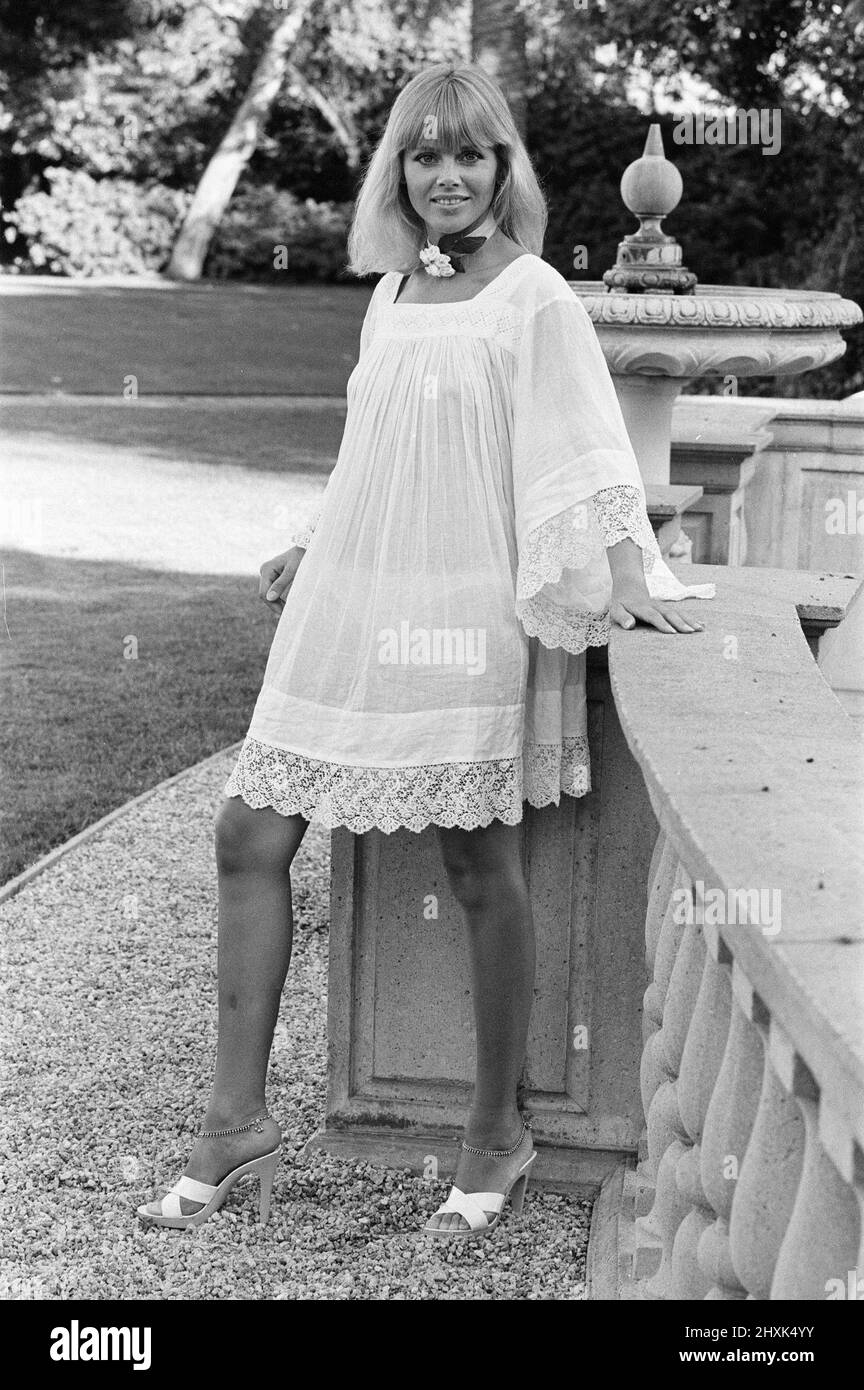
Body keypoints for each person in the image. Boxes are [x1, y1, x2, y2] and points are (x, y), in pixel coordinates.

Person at [137, 61, 714, 1239]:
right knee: (247, 832)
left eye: (470, 153)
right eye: (423, 153)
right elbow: (378, 444)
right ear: (396, 171)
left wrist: (622, 576)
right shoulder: (392, 293)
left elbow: (584, 448)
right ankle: (234, 1117)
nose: (446, 174)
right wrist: (315, 542)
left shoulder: (537, 294)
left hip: (463, 613)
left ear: (505, 170)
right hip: (356, 589)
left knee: (475, 867)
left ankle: (496, 1129)